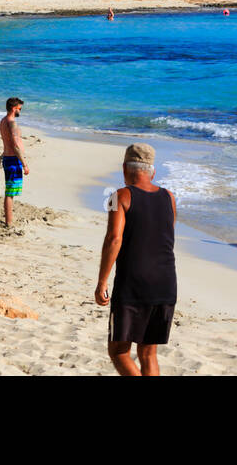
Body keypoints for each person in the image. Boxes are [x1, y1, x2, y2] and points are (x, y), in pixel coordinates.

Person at [96, 143, 177, 376]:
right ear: (152, 171)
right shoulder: (169, 197)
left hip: (134, 284)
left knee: (119, 352)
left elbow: (114, 239)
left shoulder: (118, 196)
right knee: (148, 354)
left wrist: (102, 282)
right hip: (165, 283)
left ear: (124, 168)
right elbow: (165, 236)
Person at [0, 97, 28, 227]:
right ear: (14, 108)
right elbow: (15, 145)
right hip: (13, 160)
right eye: (19, 109)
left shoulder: (3, 121)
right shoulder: (12, 123)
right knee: (10, 192)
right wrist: (25, 164)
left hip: (7, 157)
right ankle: (9, 222)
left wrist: (0, 157)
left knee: (10, 191)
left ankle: (9, 220)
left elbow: (7, 142)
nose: (20, 111)